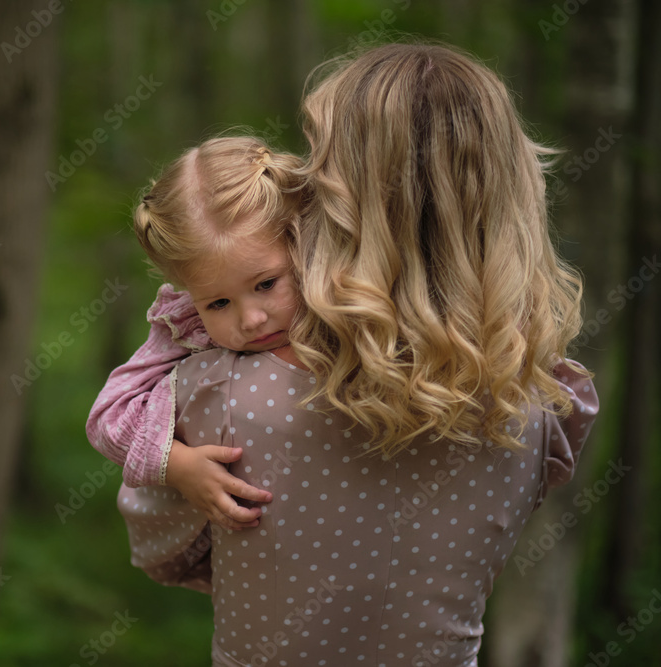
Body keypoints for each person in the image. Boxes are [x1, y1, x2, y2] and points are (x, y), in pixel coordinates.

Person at [118, 42, 599, 666]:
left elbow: (159, 548)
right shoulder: (541, 401)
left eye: (317, 170)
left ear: (347, 206)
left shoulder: (220, 391)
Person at [86, 135, 310, 531]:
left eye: (265, 284)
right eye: (219, 304)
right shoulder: (182, 326)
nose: (252, 319)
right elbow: (108, 415)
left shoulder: (342, 291)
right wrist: (179, 466)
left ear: (300, 243)